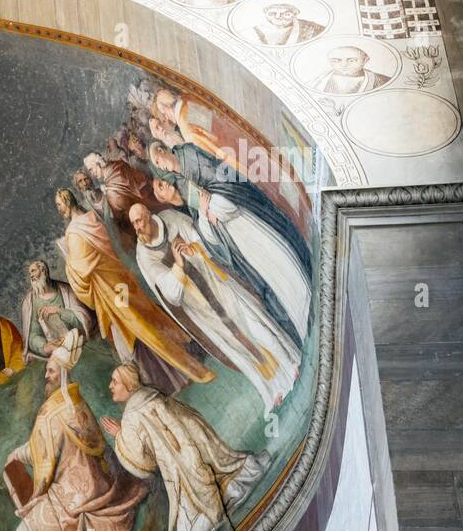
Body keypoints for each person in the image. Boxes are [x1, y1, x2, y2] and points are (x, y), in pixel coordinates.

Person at [5, 331, 147, 531]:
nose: (46, 375)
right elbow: (47, 447)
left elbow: (40, 451)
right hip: (86, 485)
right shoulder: (74, 403)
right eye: (46, 370)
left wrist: (17, 456)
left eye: (51, 371)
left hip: (76, 493)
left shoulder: (55, 410)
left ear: (63, 374)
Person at [130, 204, 300, 411]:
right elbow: (170, 292)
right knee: (238, 346)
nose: (137, 228)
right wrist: (178, 265)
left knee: (254, 325)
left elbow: (200, 237)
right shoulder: (144, 254)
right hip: (201, 308)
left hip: (217, 283)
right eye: (133, 223)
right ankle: (274, 387)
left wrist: (194, 249)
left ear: (148, 215)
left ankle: (289, 363)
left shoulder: (170, 219)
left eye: (139, 221)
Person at [100, 362, 268, 531]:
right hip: (194, 437)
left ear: (127, 384)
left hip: (177, 463)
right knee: (215, 466)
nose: (111, 386)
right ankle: (232, 485)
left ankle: (206, 516)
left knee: (193, 500)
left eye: (115, 382)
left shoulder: (131, 416)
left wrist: (119, 436)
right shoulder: (151, 394)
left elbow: (143, 464)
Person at [55, 188, 213, 393]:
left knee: (132, 331)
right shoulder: (92, 218)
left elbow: (80, 272)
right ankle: (177, 371)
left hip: (111, 291)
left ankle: (171, 376)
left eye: (60, 205)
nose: (60, 210)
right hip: (121, 281)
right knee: (143, 321)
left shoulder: (75, 232)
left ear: (67, 203)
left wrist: (69, 265)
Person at [149, 145, 311, 345]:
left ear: (163, 150)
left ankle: (304, 299)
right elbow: (205, 229)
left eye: (159, 159)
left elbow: (226, 189)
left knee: (276, 257)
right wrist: (206, 213)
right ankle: (300, 313)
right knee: (267, 272)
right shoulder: (186, 193)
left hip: (244, 220)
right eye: (157, 165)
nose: (161, 166)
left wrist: (210, 210)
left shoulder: (191, 157)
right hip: (235, 237)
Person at [19, 259, 92, 364]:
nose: (31, 275)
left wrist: (59, 311)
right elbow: (32, 335)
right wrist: (44, 346)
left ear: (43, 271)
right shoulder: (29, 302)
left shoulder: (66, 290)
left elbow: (84, 320)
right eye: (30, 273)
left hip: (78, 344)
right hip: (54, 352)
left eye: (33, 271)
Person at [310, 45, 391, 94]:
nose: (344, 64)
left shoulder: (384, 81)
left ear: (365, 60)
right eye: (336, 60)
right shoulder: (316, 81)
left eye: (352, 60)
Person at [241, 2, 325, 46]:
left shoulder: (310, 28)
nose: (278, 17)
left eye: (286, 14)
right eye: (272, 14)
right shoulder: (251, 31)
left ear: (294, 15)